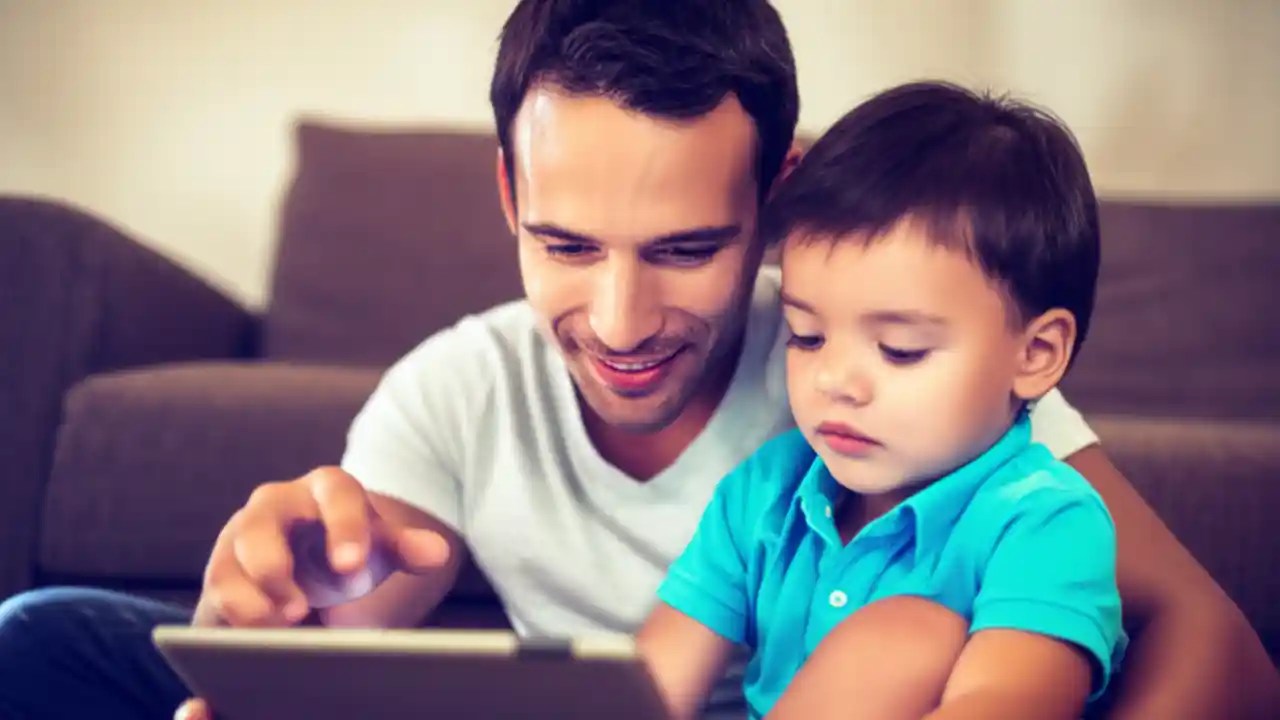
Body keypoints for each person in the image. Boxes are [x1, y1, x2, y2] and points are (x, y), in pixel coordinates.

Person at [0, 2, 1274, 719]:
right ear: (506, 192)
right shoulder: (458, 390)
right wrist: (262, 613)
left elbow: (1220, 651)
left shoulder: (919, 374)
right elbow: (355, 641)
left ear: (775, 201)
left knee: (906, 629)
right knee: (45, 640)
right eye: (564, 243)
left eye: (683, 247)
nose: (617, 322)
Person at [637, 81, 1126, 720]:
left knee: (909, 635)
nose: (835, 380)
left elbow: (1008, 704)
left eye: (899, 349)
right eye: (806, 336)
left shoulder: (1046, 523)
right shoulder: (766, 492)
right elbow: (649, 689)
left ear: (1035, 355)